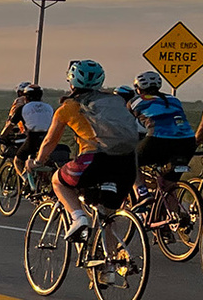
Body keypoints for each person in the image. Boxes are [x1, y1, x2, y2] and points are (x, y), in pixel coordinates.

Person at [34, 59, 141, 248]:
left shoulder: (67, 108)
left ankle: (78, 218)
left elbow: (50, 141)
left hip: (94, 160)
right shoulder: (115, 102)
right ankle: (108, 265)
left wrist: (36, 162)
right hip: (126, 162)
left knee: (58, 181)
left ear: (71, 81)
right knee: (107, 215)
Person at [129, 70, 196, 198]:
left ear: (138, 89)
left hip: (159, 139)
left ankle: (142, 193)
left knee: (128, 161)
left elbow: (125, 126)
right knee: (169, 186)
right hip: (188, 141)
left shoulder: (136, 101)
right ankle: (176, 216)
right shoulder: (174, 99)